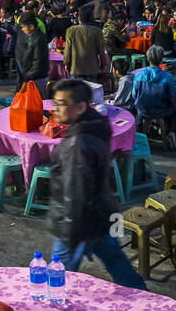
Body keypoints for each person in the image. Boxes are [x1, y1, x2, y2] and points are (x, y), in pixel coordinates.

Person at [45, 78, 144, 286]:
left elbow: (75, 193)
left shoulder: (77, 144)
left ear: (80, 107)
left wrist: (70, 235)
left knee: (58, 276)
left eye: (61, 104)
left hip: (76, 221)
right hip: (102, 211)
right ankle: (143, 295)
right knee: (116, 260)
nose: (55, 109)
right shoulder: (96, 125)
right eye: (55, 103)